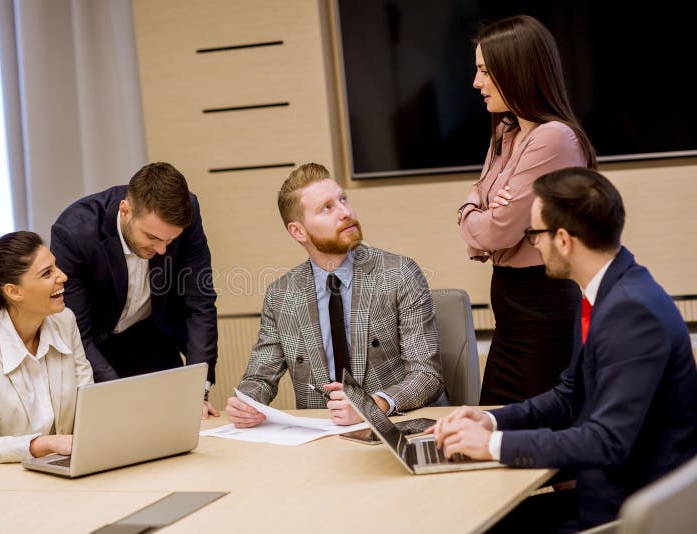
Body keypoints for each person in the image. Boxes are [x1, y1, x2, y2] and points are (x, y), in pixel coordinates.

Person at [433, 167, 697, 531]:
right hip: (609, 493)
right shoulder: (604, 291)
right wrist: (492, 420)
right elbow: (570, 394)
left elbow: (606, 440)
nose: (533, 244)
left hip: (632, 511)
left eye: (534, 234)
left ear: (562, 239)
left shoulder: (632, 311)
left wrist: (493, 445)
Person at [226, 163, 445, 428]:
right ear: (298, 231)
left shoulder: (400, 274)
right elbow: (260, 378)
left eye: (343, 199)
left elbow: (427, 375)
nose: (345, 212)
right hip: (323, 437)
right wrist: (246, 403)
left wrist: (371, 406)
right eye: (327, 208)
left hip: (399, 427)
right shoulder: (280, 295)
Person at [457, 15, 599, 404]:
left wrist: (473, 211)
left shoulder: (554, 138)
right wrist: (481, 209)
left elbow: (496, 230)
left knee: (539, 426)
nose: (476, 83)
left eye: (485, 71)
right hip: (511, 306)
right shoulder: (507, 131)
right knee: (494, 422)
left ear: (515, 70)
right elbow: (485, 212)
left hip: (543, 305)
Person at [50, 162, 219, 419]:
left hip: (153, 336)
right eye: (152, 237)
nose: (161, 250)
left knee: (178, 420)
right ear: (125, 210)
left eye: (170, 240)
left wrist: (197, 389)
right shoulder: (74, 232)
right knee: (117, 424)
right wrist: (119, 394)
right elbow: (76, 330)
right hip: (95, 347)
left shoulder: (188, 212)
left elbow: (200, 303)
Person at [0, 231, 94, 476]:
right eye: (47, 273)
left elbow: (88, 404)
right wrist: (41, 445)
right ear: (14, 292)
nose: (62, 276)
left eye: (56, 266)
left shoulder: (64, 321)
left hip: (52, 474)